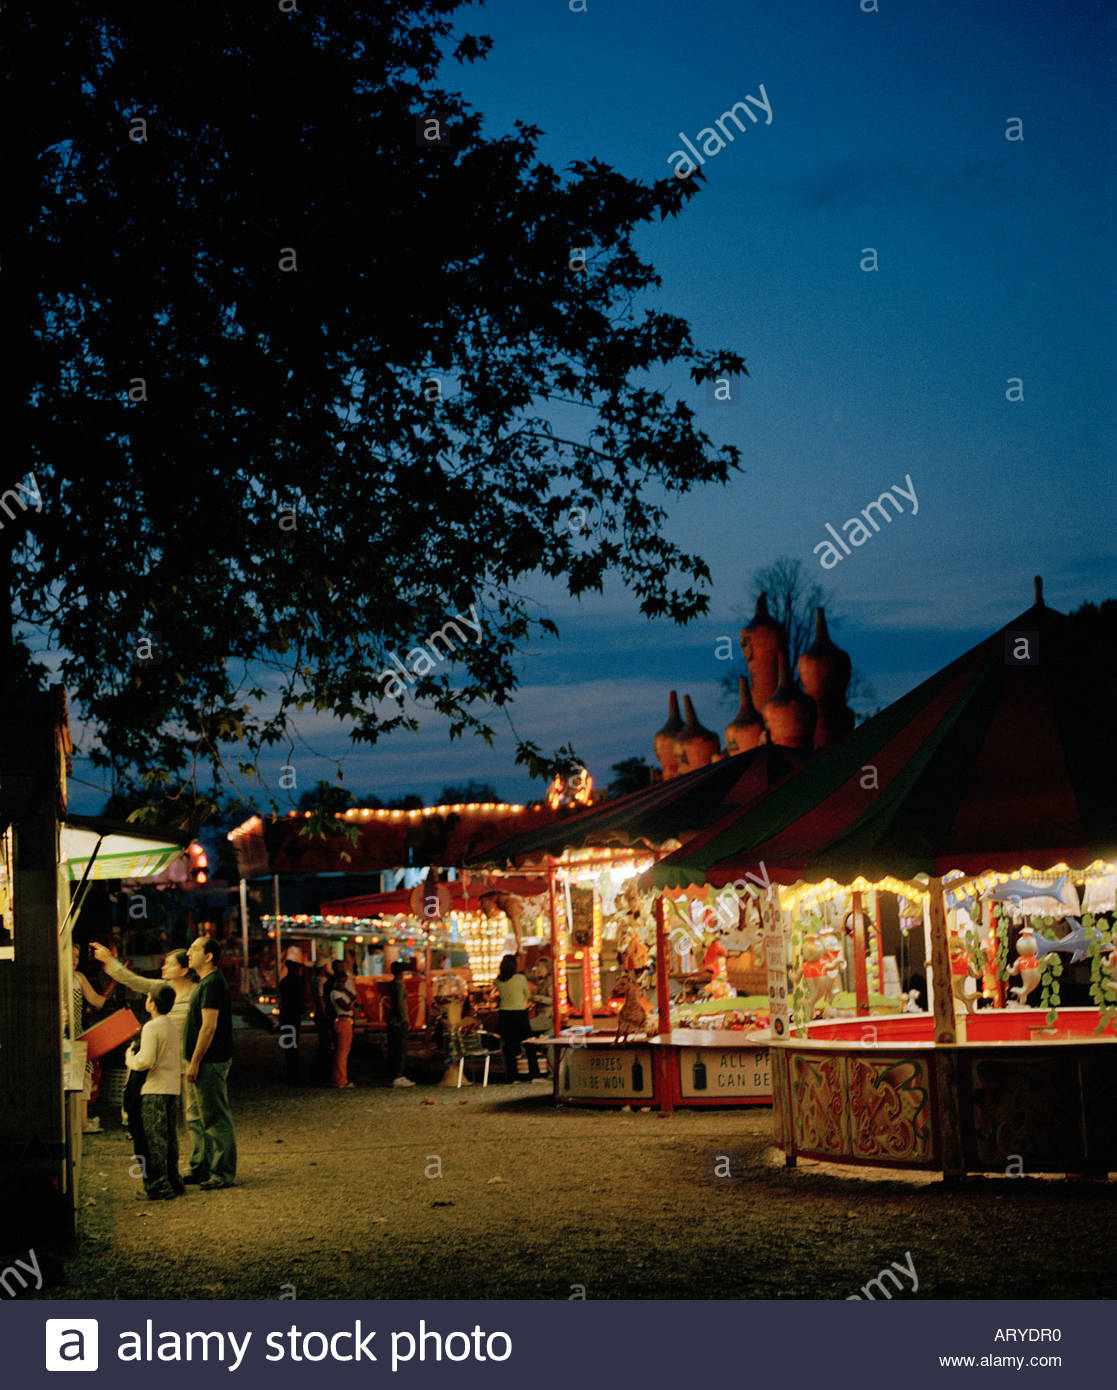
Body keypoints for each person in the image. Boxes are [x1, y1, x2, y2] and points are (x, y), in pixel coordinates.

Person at [92, 942, 195, 1165]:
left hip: (187, 1064)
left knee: (193, 1119)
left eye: (169, 965)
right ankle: (173, 1172)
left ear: (185, 970)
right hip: (163, 1069)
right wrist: (110, 961)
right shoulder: (161, 990)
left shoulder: (197, 994)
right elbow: (132, 980)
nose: (164, 968)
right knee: (166, 1123)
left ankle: (194, 1166)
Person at [182, 935, 237, 1189]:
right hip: (202, 1061)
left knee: (215, 1117)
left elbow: (208, 1027)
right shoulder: (204, 983)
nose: (189, 953)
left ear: (209, 956)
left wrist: (194, 1062)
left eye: (194, 949)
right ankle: (200, 1166)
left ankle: (222, 1172)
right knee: (195, 1117)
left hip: (210, 1061)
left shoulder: (212, 984)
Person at [124, 985, 184, 1200]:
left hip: (153, 1089)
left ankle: (159, 1185)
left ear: (152, 1003)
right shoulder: (171, 1026)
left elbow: (145, 1060)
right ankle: (173, 1180)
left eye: (148, 998)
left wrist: (129, 1058)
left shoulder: (151, 1027)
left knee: (153, 1140)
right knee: (169, 1138)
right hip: (171, 1088)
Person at [69, 942, 116, 1133]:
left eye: (77, 957)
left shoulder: (78, 977)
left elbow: (97, 1001)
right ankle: (80, 1122)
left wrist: (114, 992)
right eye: (70, 956)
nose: (74, 961)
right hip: (64, 1035)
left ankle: (82, 1121)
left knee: (84, 1075)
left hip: (77, 1033)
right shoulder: (57, 977)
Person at [493, 953, 541, 1082]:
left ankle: (512, 1077)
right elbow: (527, 995)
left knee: (509, 1047)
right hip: (519, 1014)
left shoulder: (498, 980)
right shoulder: (520, 978)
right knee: (529, 1044)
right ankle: (534, 1074)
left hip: (504, 1015)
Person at [386, 959, 414, 1087]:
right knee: (400, 1048)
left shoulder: (391, 985)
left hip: (392, 1020)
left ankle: (394, 1074)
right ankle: (399, 1075)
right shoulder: (399, 985)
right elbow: (401, 1004)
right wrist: (405, 1019)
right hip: (399, 1021)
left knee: (394, 1047)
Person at [329, 960, 357, 1088]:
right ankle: (341, 1079)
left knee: (343, 1051)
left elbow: (353, 997)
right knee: (342, 1052)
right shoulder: (335, 994)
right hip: (343, 1021)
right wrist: (352, 1004)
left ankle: (339, 1077)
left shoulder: (340, 992)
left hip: (346, 1021)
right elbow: (347, 1007)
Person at [277, 955, 304, 1083]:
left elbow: (281, 999)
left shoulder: (284, 982)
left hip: (286, 1015)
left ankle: (290, 1070)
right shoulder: (296, 982)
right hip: (293, 1014)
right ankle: (293, 1072)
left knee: (288, 1043)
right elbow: (299, 999)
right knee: (293, 1043)